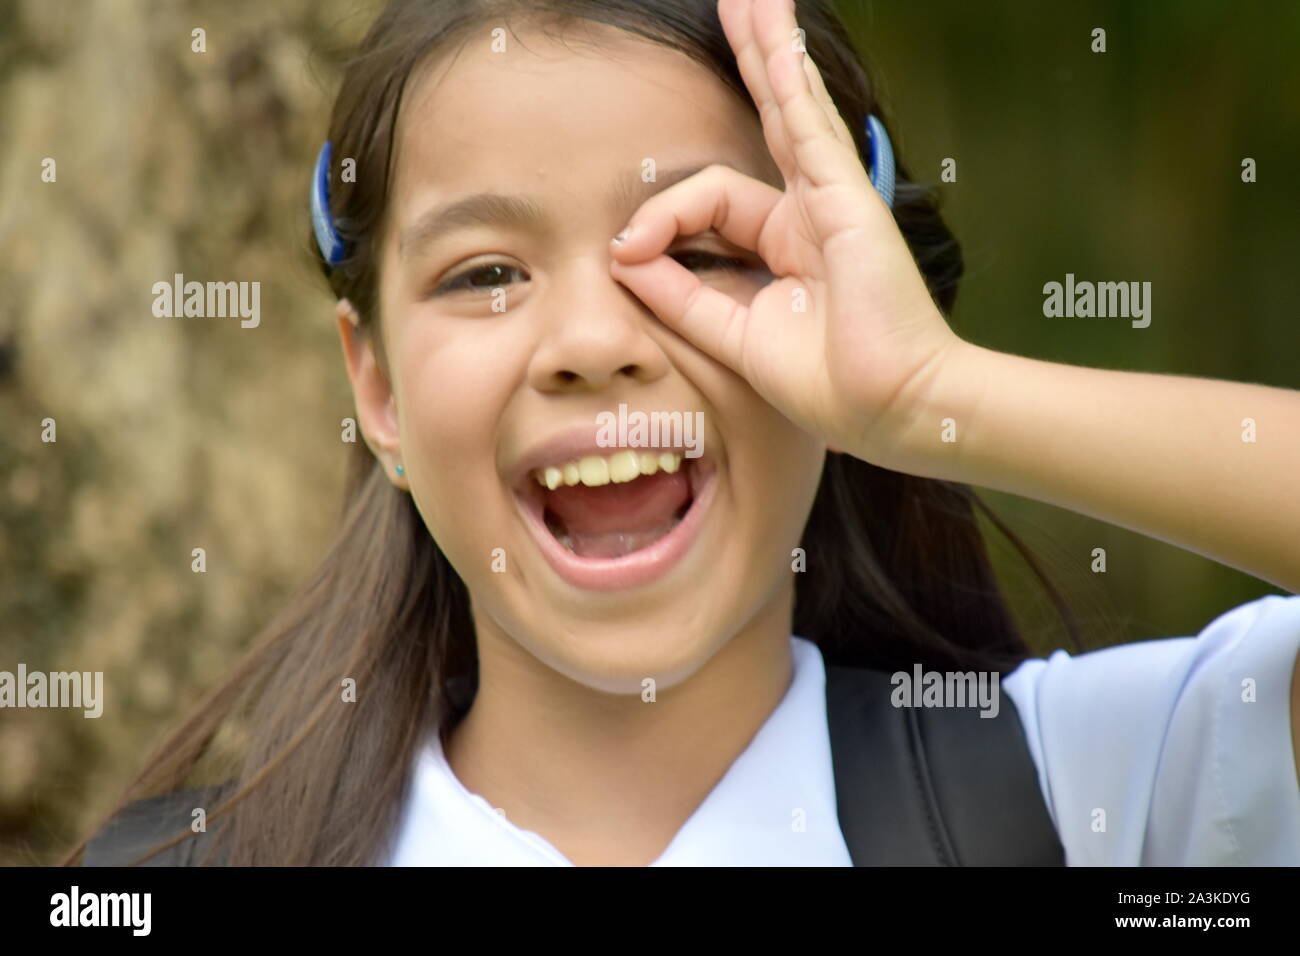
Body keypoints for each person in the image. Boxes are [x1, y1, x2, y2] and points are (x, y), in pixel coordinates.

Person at [68, 0, 1299, 867]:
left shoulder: (1088, 793)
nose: (592, 341)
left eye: (702, 250)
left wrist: (931, 395)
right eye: (487, 270)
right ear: (377, 390)